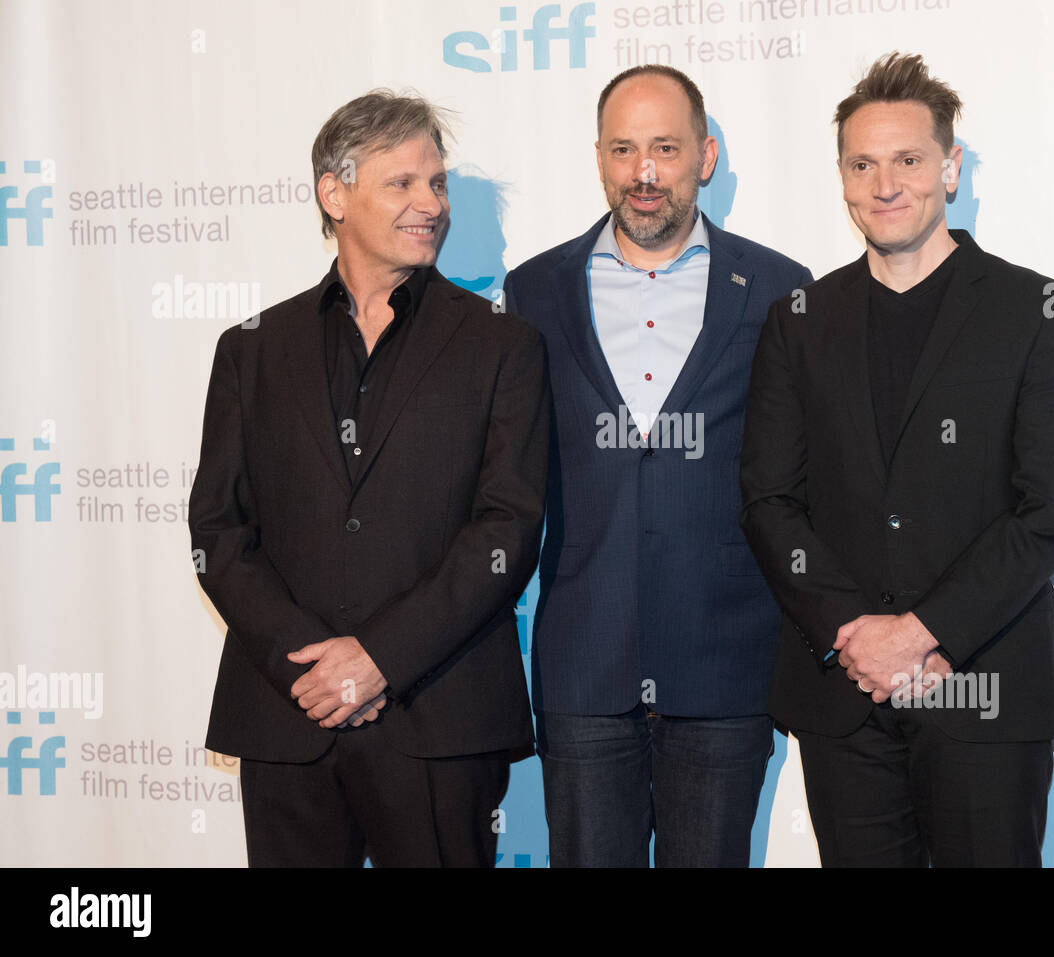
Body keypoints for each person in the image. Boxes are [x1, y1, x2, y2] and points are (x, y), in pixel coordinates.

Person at [739, 52, 1054, 867]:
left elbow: (1047, 514)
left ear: (951, 167)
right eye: (863, 163)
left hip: (985, 689)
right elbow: (768, 501)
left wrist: (924, 633)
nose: (885, 183)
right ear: (842, 178)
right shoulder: (799, 319)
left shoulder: (1035, 312)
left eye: (908, 159)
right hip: (844, 695)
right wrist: (855, 636)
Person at [188, 90, 548, 867]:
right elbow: (217, 532)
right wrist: (311, 664)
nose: (431, 204)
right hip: (288, 717)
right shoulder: (251, 349)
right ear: (334, 192)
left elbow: (506, 528)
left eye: (438, 183)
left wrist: (379, 657)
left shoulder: (502, 346)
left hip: (439, 718)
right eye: (404, 183)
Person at [503, 65, 812, 867]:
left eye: (666, 147)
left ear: (704, 156)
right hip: (584, 664)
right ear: (600, 159)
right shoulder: (534, 290)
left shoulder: (780, 290)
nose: (644, 172)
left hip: (725, 663)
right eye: (624, 148)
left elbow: (796, 479)